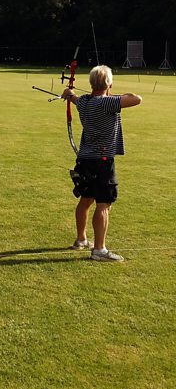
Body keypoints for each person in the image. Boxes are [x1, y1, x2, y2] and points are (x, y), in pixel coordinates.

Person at [62, 65, 142, 262]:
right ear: (109, 83)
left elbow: (73, 97)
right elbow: (136, 98)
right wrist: (111, 92)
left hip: (85, 159)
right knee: (104, 204)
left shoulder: (84, 103)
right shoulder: (108, 103)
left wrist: (69, 92)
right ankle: (99, 249)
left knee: (86, 199)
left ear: (91, 83)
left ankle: (81, 239)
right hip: (103, 160)